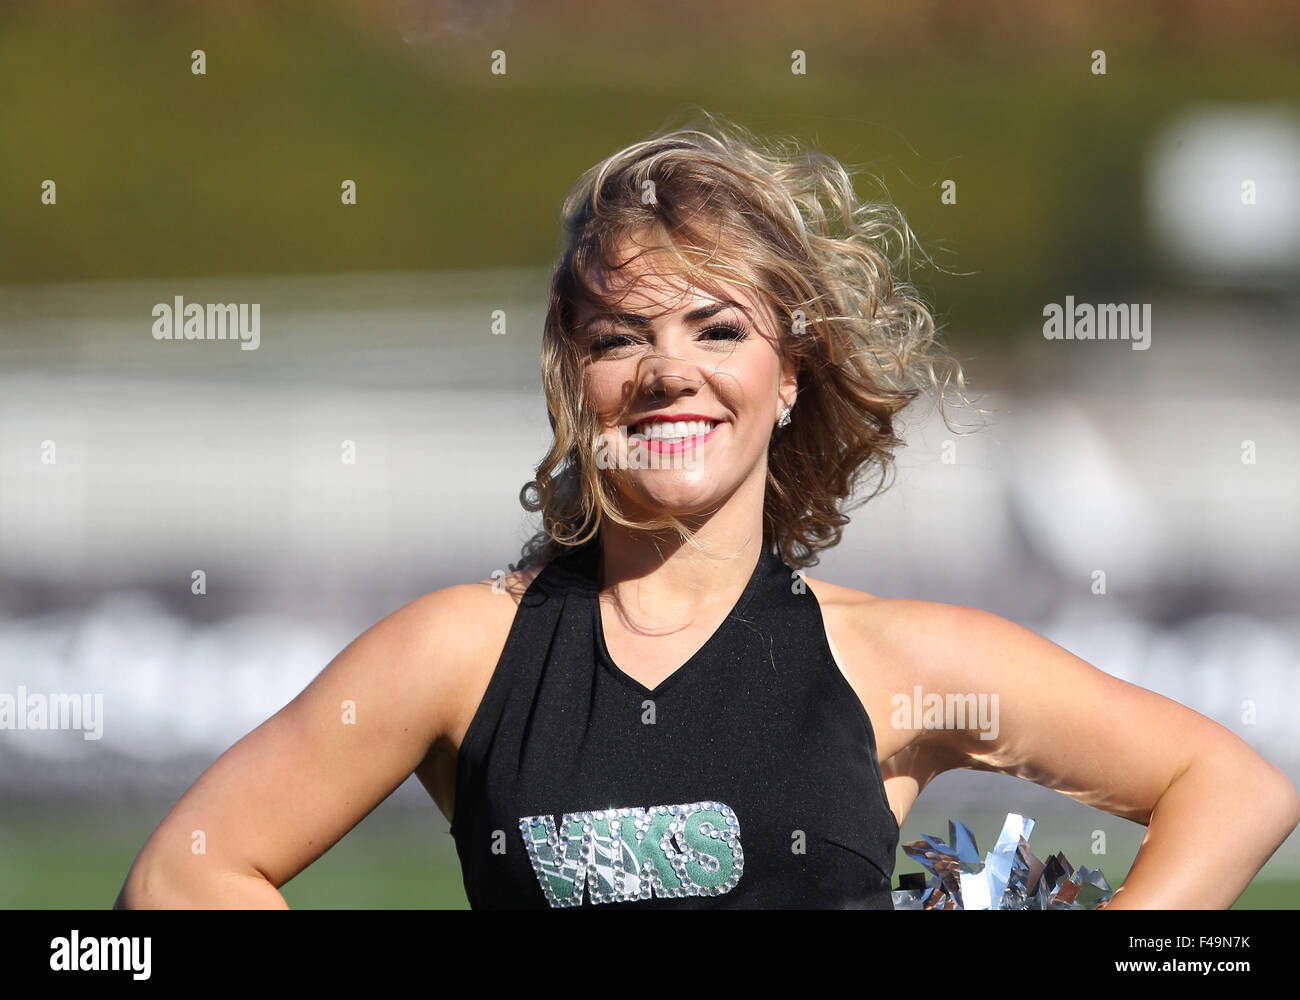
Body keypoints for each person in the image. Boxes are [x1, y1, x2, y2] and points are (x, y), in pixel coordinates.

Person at [115, 114, 1300, 910]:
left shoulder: (892, 661)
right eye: (617, 336)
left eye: (718, 330)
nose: (666, 371)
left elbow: (1235, 788)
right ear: (572, 379)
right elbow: (184, 874)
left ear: (787, 376)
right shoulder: (460, 653)